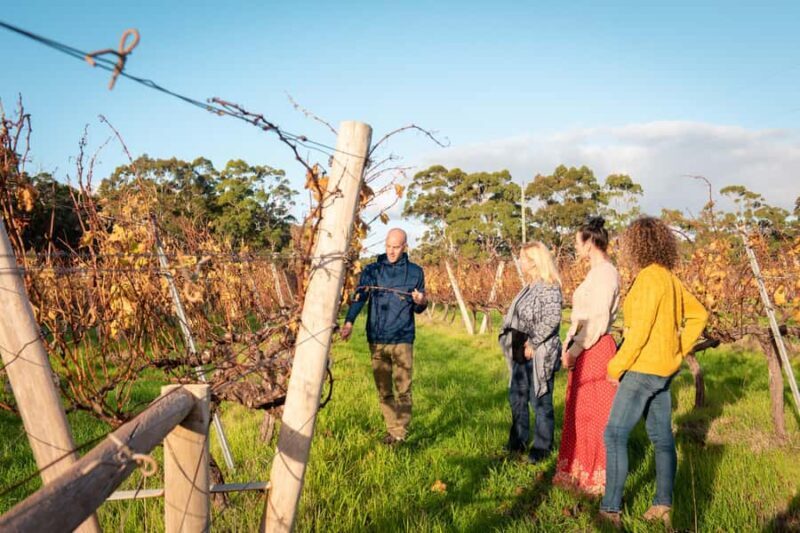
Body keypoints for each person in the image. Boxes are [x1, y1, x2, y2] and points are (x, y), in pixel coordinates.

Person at [599, 217, 708, 528]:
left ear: (638, 246)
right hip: (664, 370)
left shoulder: (648, 279)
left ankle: (610, 511)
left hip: (642, 369)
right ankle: (663, 504)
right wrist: (678, 349)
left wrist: (616, 366)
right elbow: (700, 314)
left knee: (615, 433)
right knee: (661, 437)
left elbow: (640, 332)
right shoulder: (669, 279)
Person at [340, 228, 427, 445]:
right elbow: (359, 298)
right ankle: (393, 429)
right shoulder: (372, 270)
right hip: (377, 338)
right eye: (388, 246)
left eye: (396, 247)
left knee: (403, 390)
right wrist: (349, 321)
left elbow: (419, 308)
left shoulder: (415, 272)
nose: (391, 251)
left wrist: (421, 301)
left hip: (403, 338)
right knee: (384, 390)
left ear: (404, 247)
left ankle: (399, 432)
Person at [553, 216, 621, 495]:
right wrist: (569, 344)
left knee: (594, 416)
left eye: (578, 241)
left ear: (590, 242)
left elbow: (597, 319)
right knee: (581, 415)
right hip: (584, 346)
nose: (575, 247)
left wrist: (576, 348)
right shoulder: (595, 273)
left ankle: (597, 479)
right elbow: (582, 318)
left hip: (595, 348)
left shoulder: (605, 273)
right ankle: (580, 473)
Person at [498, 242, 563, 464]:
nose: (520, 262)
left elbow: (553, 318)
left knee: (540, 400)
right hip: (520, 348)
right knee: (517, 397)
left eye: (522, 258)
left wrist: (534, 342)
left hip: (537, 352)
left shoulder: (549, 286)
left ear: (534, 261)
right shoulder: (530, 285)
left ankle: (542, 449)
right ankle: (517, 442)